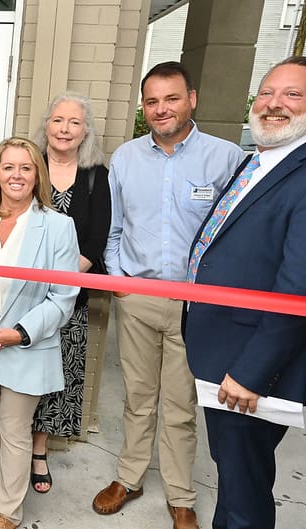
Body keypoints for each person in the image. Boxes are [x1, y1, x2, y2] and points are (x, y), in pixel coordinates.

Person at [94, 61, 244, 529]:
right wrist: (119, 281)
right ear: (144, 107)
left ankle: (181, 495)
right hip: (137, 297)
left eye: (171, 98)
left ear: (191, 99)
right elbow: (114, 229)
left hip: (196, 305)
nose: (161, 109)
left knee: (181, 404)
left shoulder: (226, 158)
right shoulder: (125, 158)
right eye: (152, 101)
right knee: (138, 397)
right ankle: (130, 477)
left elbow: (239, 236)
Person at [185, 56, 306, 529]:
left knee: (243, 486)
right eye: (267, 93)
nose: (274, 104)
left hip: (249, 369)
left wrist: (252, 373)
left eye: (292, 95)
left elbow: (297, 289)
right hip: (223, 352)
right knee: (235, 475)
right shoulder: (258, 161)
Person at [0, 136, 79, 529]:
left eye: (26, 167)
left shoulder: (58, 226)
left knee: (15, 428)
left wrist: (19, 333)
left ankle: (8, 508)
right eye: (8, 167)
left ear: (37, 174)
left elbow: (63, 297)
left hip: (27, 344)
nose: (17, 175)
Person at [30, 92, 111, 493]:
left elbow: (95, 244)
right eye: (58, 120)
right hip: (20, 297)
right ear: (46, 124)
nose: (64, 129)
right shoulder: (29, 166)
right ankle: (11, 443)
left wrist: (57, 285)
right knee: (19, 371)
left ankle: (39, 450)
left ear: (85, 131)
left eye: (74, 122)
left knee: (56, 373)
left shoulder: (96, 175)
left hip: (69, 299)